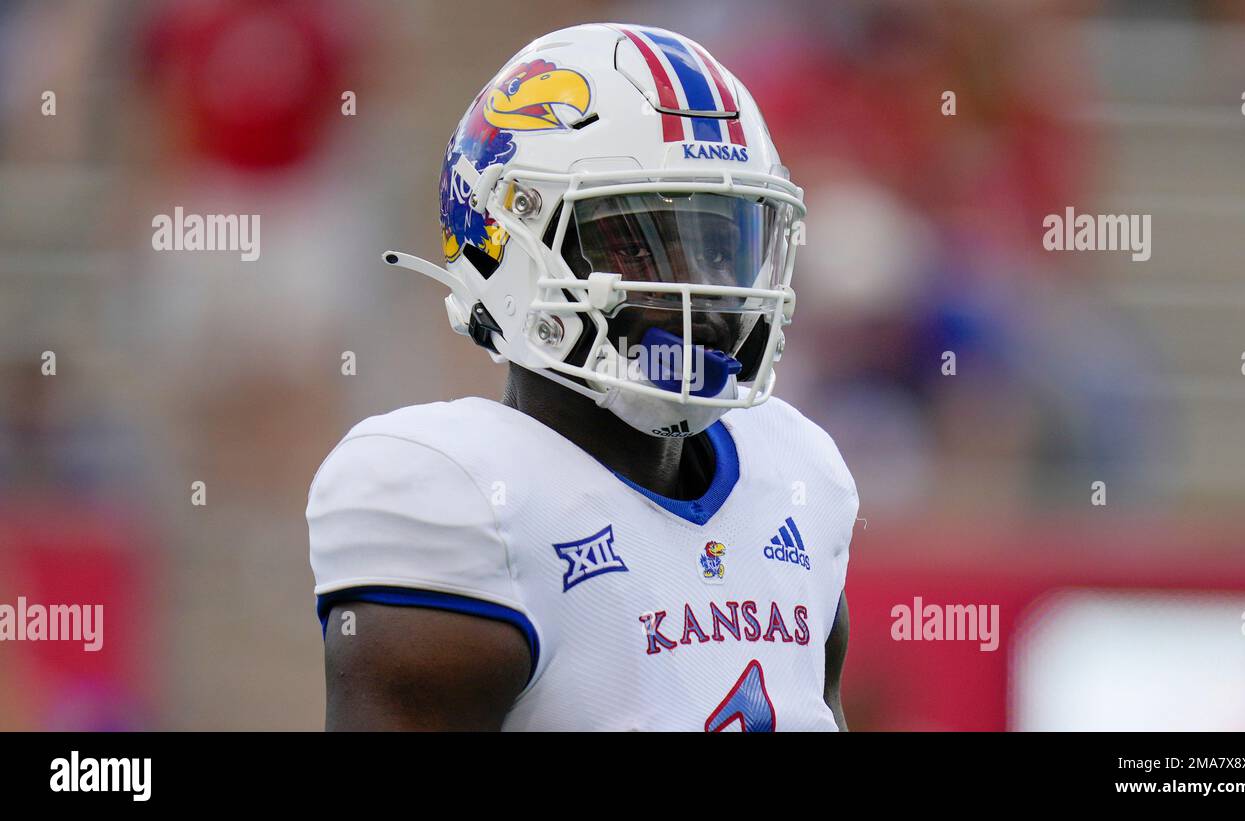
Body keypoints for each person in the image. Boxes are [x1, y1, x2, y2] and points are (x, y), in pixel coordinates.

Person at [307, 23, 857, 731]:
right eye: (639, 244)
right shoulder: (463, 501)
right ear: (507, 244)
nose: (709, 295)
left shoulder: (797, 477)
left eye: (723, 243)